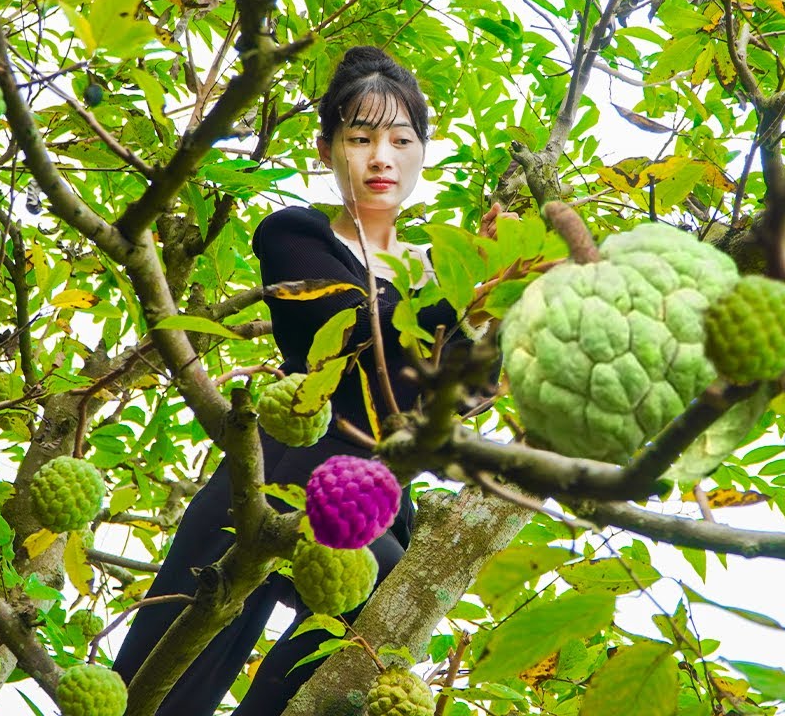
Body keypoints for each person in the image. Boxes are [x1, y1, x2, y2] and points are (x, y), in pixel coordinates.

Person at [113, 45, 500, 715]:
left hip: (371, 503)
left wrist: (496, 309)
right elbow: (348, 335)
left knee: (350, 653)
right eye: (361, 138)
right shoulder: (295, 231)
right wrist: (462, 302)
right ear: (327, 150)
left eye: (400, 140)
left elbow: (460, 398)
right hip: (271, 475)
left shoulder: (443, 268)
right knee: (163, 674)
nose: (382, 157)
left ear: (420, 154)